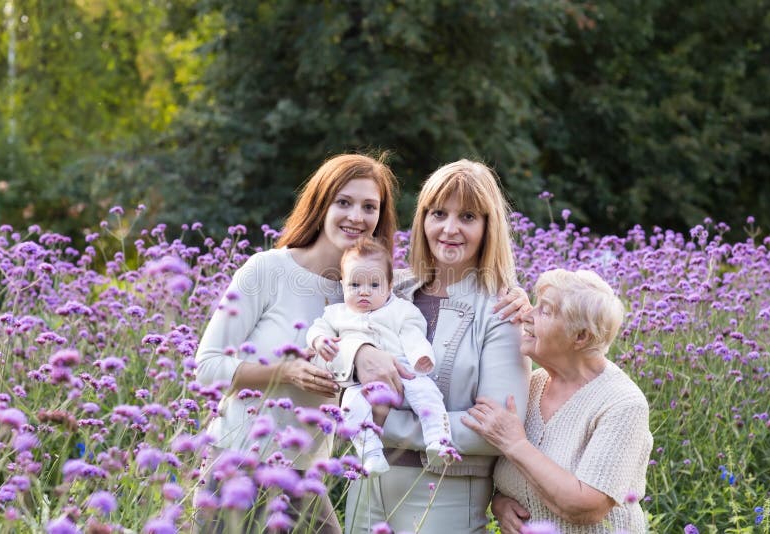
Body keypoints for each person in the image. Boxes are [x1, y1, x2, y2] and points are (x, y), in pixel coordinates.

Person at [192, 153, 399, 533]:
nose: (357, 216)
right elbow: (205, 369)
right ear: (321, 205)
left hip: (307, 475)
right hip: (239, 468)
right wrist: (285, 372)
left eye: (369, 206)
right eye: (344, 202)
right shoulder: (268, 270)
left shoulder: (370, 291)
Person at [342, 160, 533, 533]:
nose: (449, 229)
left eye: (467, 217)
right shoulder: (390, 289)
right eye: (438, 213)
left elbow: (494, 429)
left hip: (445, 491)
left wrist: (379, 424)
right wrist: (357, 353)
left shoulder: (500, 310)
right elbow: (335, 344)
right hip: (365, 484)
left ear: (487, 226)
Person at [463, 269, 653, 534]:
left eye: (545, 311)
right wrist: (500, 504)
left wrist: (515, 444)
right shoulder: (531, 385)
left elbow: (587, 506)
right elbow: (516, 479)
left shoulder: (622, 404)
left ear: (580, 337)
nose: (527, 315)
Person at [307, 237, 451, 477]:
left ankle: (438, 437)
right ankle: (370, 452)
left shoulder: (400, 310)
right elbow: (317, 328)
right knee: (351, 406)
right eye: (354, 285)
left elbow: (412, 333)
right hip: (360, 383)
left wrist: (421, 356)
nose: (364, 292)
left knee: (427, 393)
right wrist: (319, 340)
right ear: (343, 284)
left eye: (374, 285)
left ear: (389, 285)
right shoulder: (337, 314)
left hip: (404, 371)